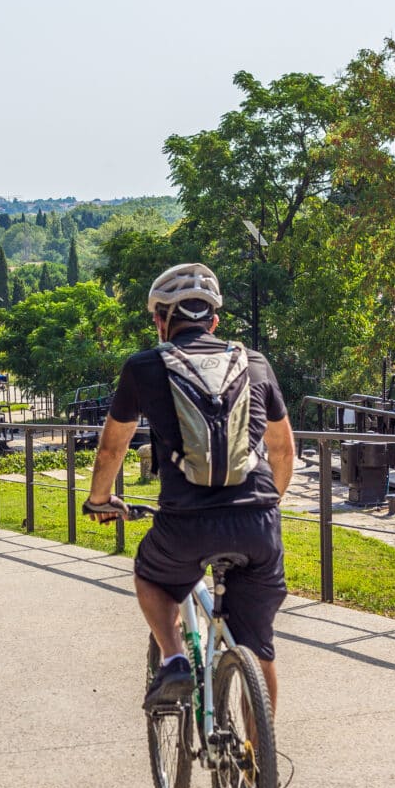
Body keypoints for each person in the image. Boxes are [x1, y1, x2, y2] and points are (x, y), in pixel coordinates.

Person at [82, 263, 295, 714]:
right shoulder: (254, 362)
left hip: (186, 525)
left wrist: (99, 499)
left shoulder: (144, 366)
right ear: (214, 321)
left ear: (161, 320)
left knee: (151, 576)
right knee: (258, 649)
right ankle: (258, 769)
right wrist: (267, 506)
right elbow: (283, 451)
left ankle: (175, 658)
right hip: (257, 522)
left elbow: (111, 448)